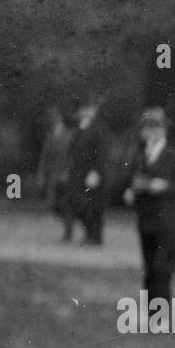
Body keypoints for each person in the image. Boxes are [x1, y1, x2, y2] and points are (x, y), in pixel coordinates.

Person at [122, 108, 175, 304]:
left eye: (155, 127)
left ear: (164, 130)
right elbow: (130, 180)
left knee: (162, 267)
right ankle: (152, 313)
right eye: (147, 128)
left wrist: (166, 186)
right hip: (146, 219)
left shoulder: (174, 155)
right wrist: (131, 191)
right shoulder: (140, 155)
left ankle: (161, 314)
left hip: (168, 220)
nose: (151, 132)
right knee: (149, 266)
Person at [68, 99, 108, 245]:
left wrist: (96, 172)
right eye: (84, 109)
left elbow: (102, 153)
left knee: (93, 205)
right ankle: (90, 233)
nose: (86, 112)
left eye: (89, 109)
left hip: (93, 173)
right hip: (79, 173)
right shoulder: (81, 128)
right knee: (79, 203)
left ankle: (95, 236)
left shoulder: (99, 129)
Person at [36, 106, 74, 241]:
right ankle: (68, 226)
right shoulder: (50, 135)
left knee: (64, 203)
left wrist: (67, 171)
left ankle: (68, 231)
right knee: (52, 203)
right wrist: (41, 174)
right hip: (52, 174)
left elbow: (71, 156)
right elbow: (44, 156)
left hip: (63, 174)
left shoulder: (70, 134)